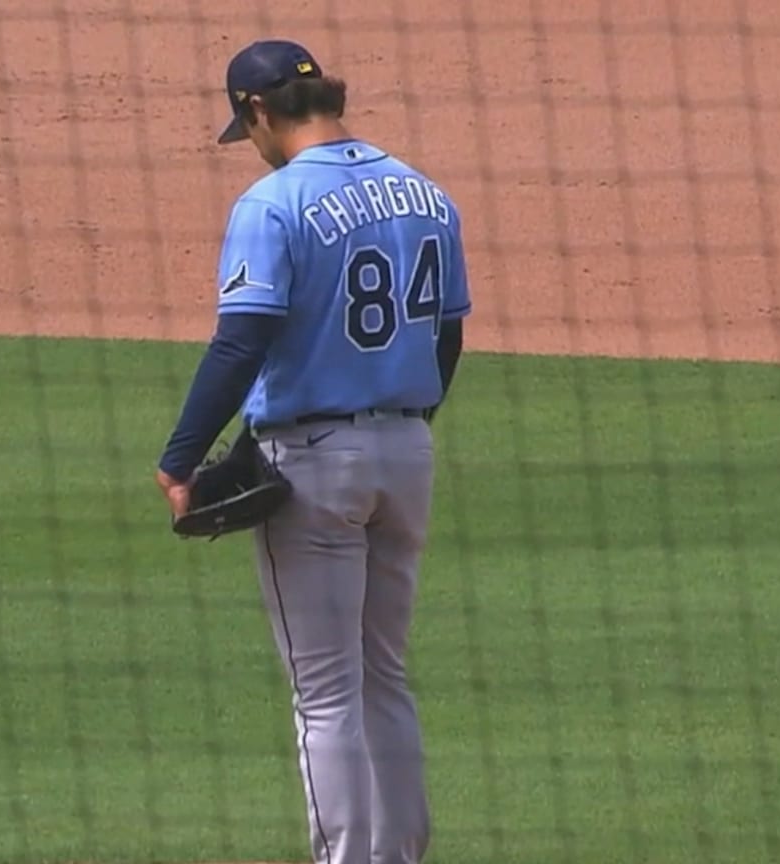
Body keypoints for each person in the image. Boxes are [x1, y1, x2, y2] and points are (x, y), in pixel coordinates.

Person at [154, 39, 472, 864]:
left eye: (245, 126)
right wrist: (402, 429)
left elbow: (241, 342)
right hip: (408, 452)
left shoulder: (274, 203)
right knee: (383, 677)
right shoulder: (425, 193)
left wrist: (181, 457)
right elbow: (447, 338)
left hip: (316, 463)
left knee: (325, 693)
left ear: (258, 110)